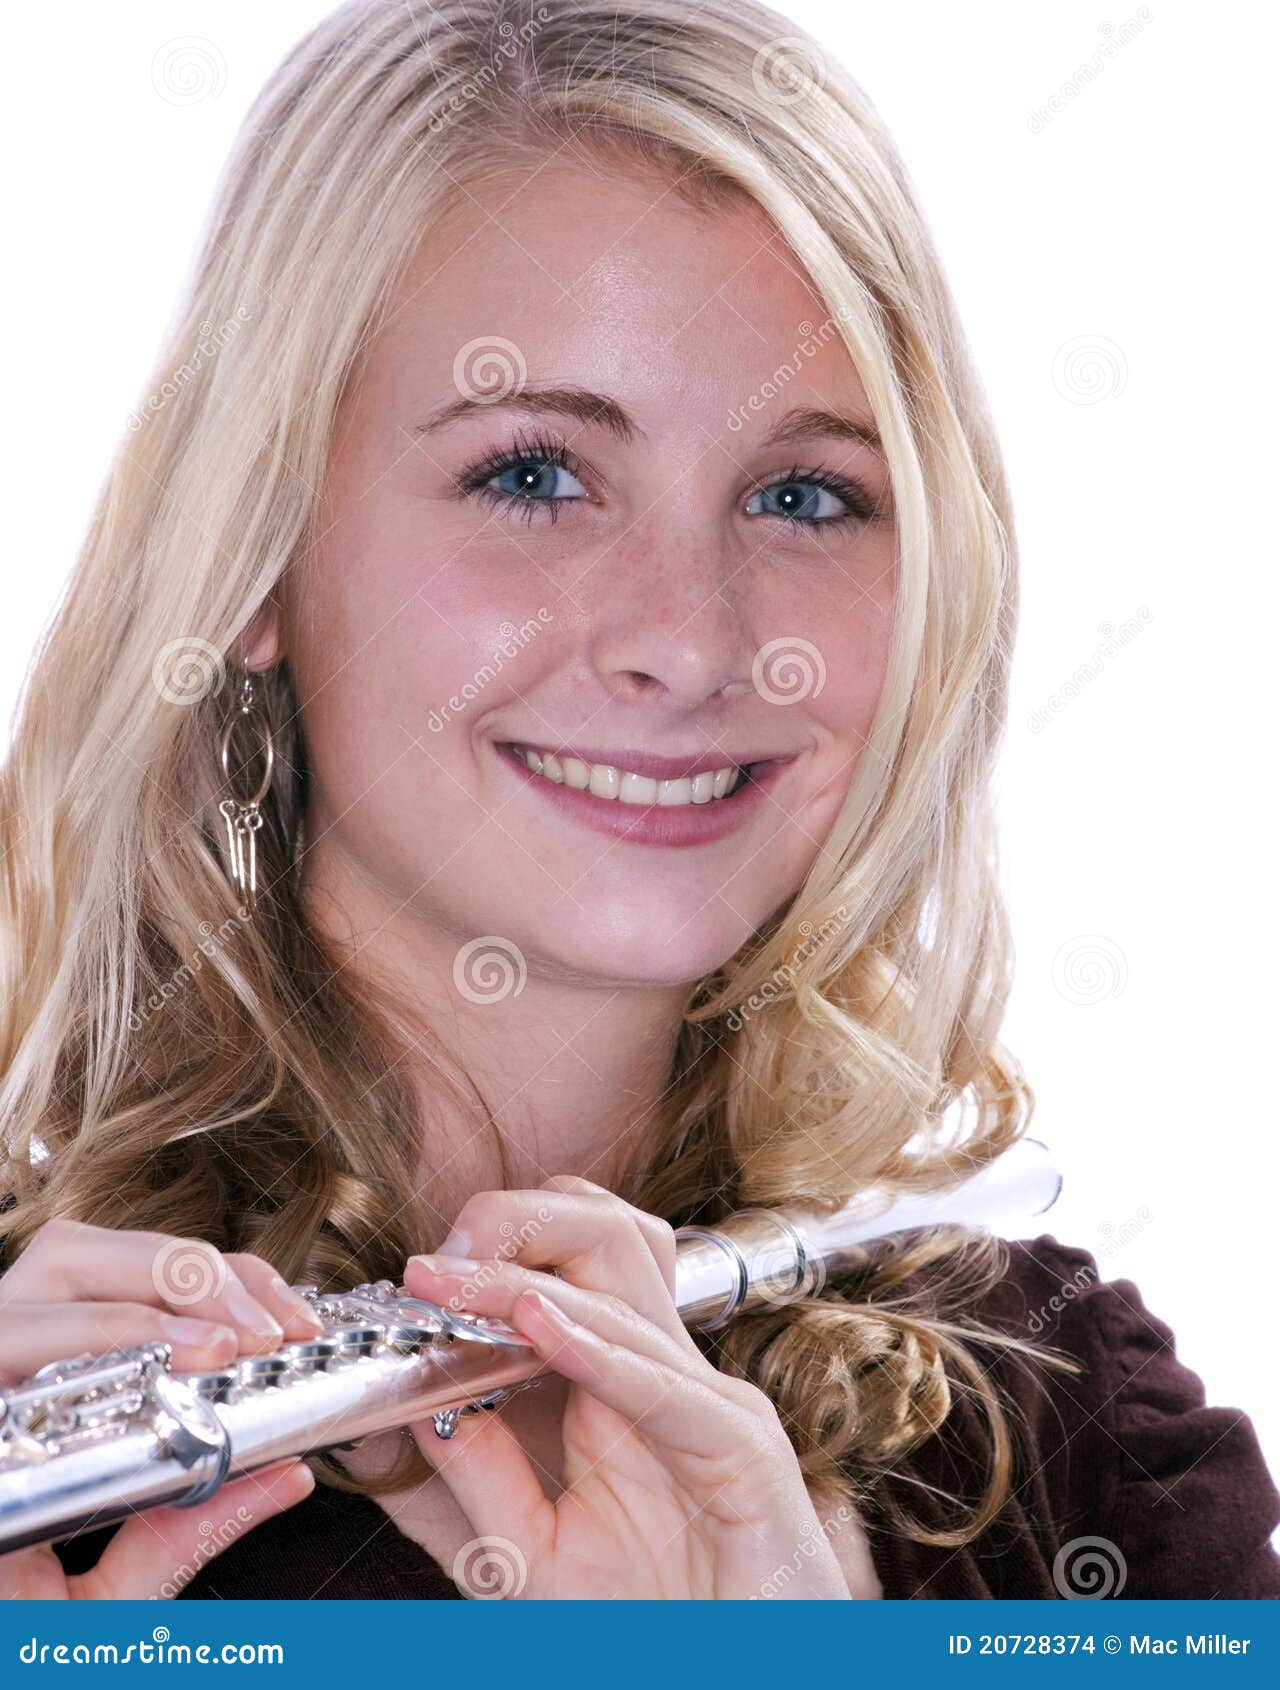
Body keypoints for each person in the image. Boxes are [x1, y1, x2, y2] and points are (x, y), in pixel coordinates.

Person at [1, 0, 1277, 1601]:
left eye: (804, 494)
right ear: (251, 555)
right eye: (533, 472)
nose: (691, 637)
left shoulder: (1076, 1437)